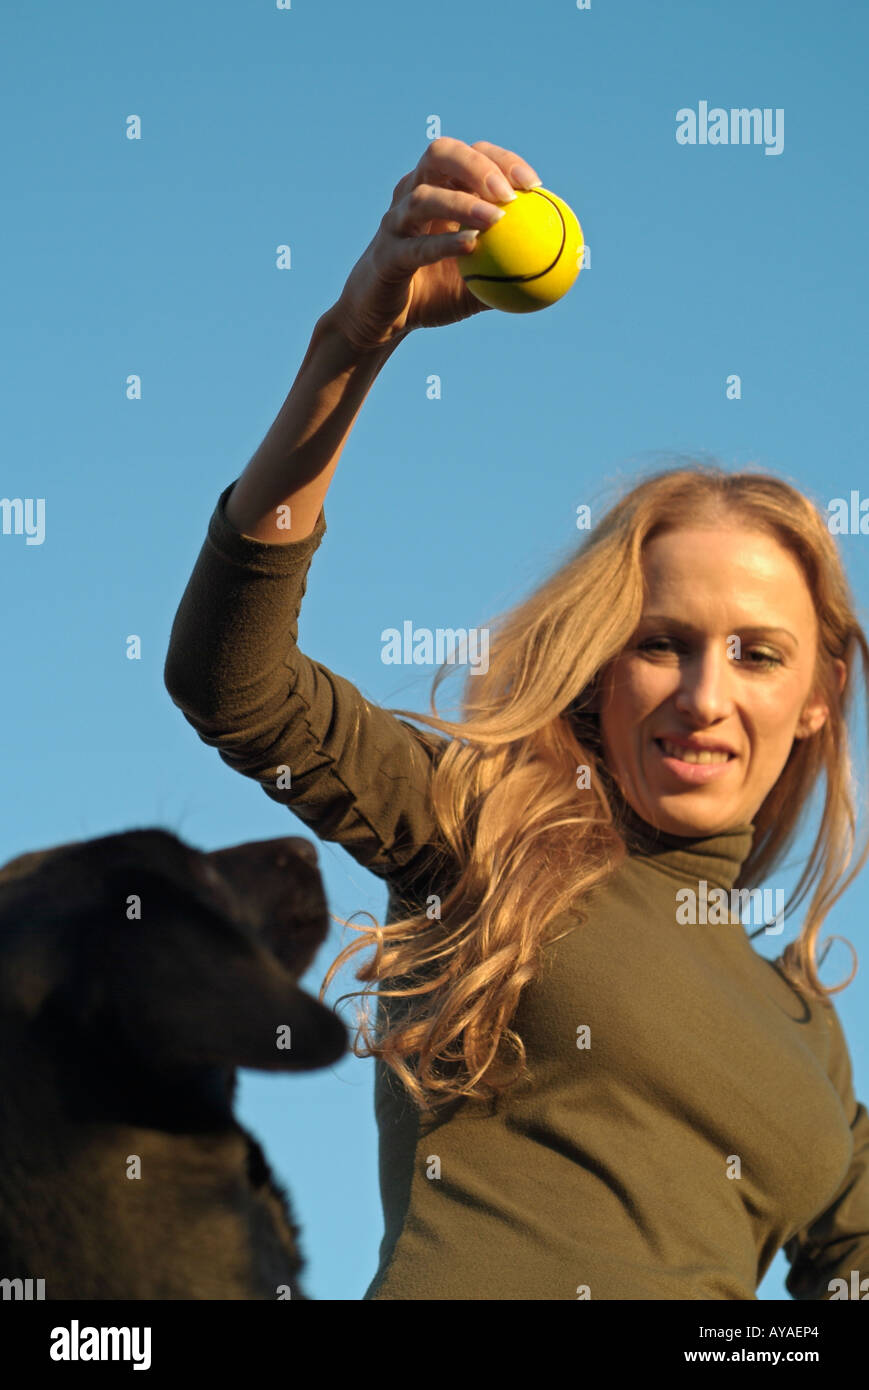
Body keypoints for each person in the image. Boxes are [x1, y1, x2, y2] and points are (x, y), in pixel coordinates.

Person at [164, 137, 869, 1300]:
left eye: (755, 654)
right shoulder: (485, 826)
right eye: (660, 642)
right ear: (598, 672)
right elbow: (232, 681)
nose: (702, 695)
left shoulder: (804, 1029)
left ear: (815, 699)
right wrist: (353, 340)